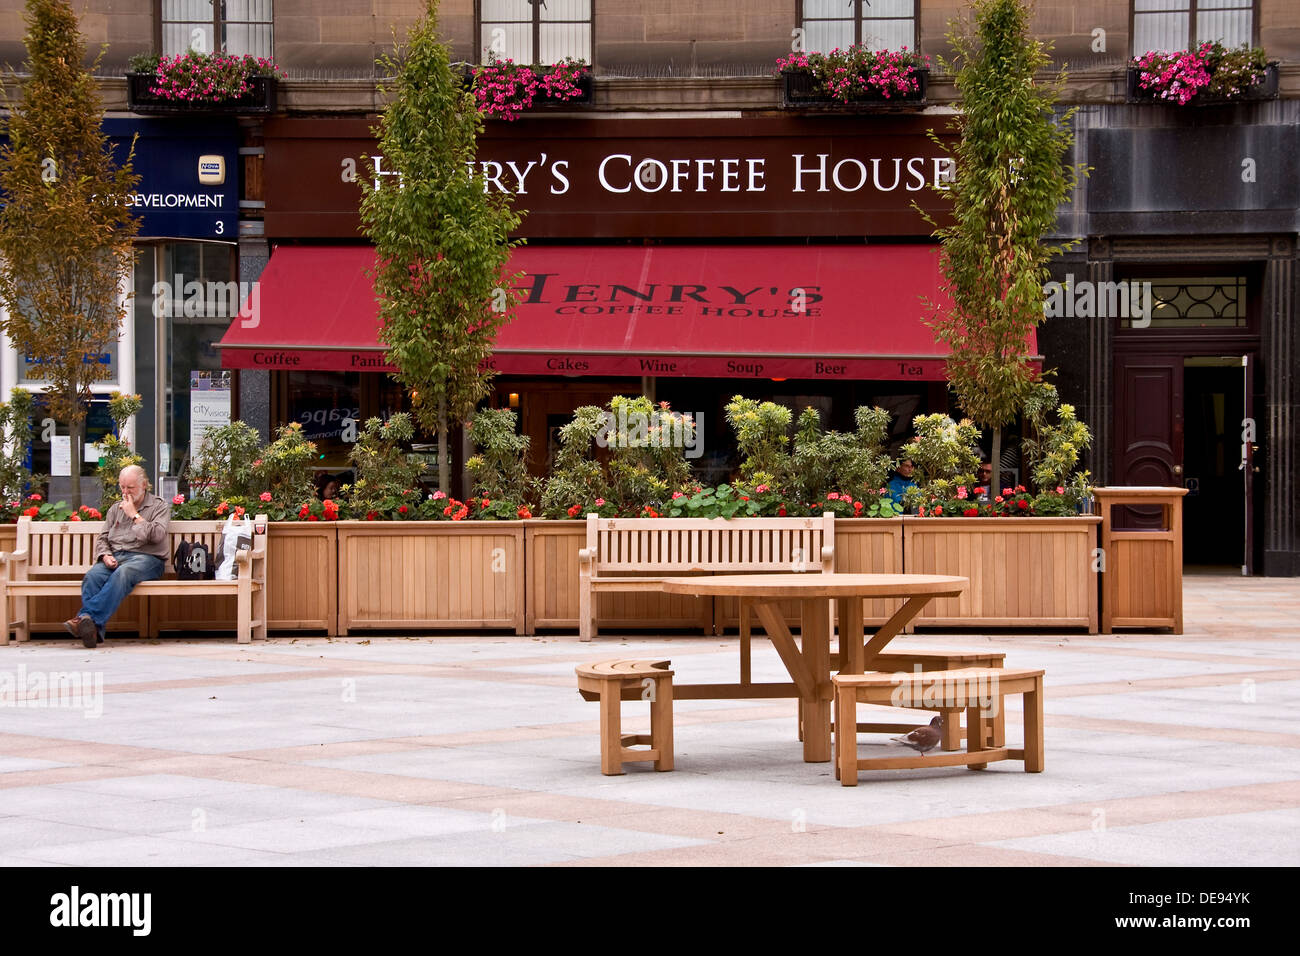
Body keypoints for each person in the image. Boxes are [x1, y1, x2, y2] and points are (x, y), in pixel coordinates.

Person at [64, 464, 171, 649]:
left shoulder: (159, 506)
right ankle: (93, 630)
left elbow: (157, 536)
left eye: (130, 487)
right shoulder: (115, 509)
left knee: (124, 573)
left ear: (144, 484)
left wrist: (134, 515)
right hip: (116, 557)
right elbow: (103, 538)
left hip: (148, 559)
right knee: (93, 576)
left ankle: (83, 618)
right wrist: (105, 555)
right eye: (122, 487)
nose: (125, 492)